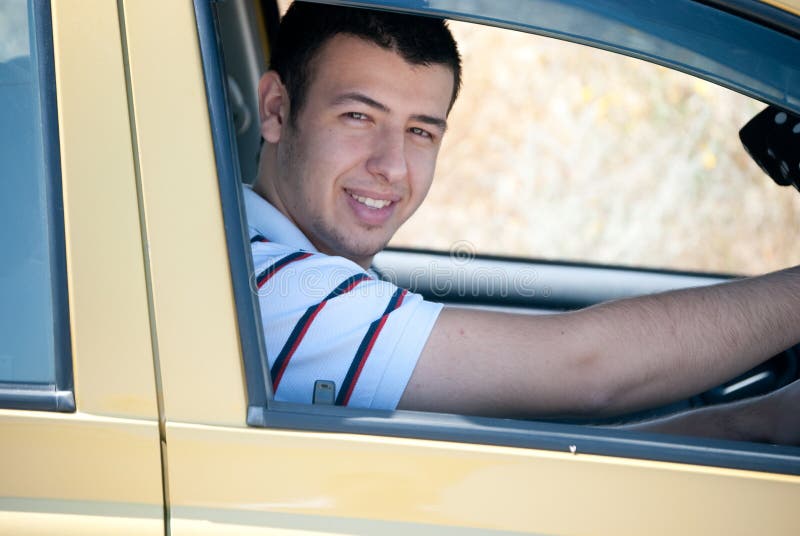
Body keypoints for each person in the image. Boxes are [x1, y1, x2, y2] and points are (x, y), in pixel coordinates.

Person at [244, 1, 799, 443]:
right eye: (358, 116)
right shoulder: (273, 289)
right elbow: (586, 367)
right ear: (276, 110)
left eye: (421, 131)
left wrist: (752, 425)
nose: (390, 165)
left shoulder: (277, 265)